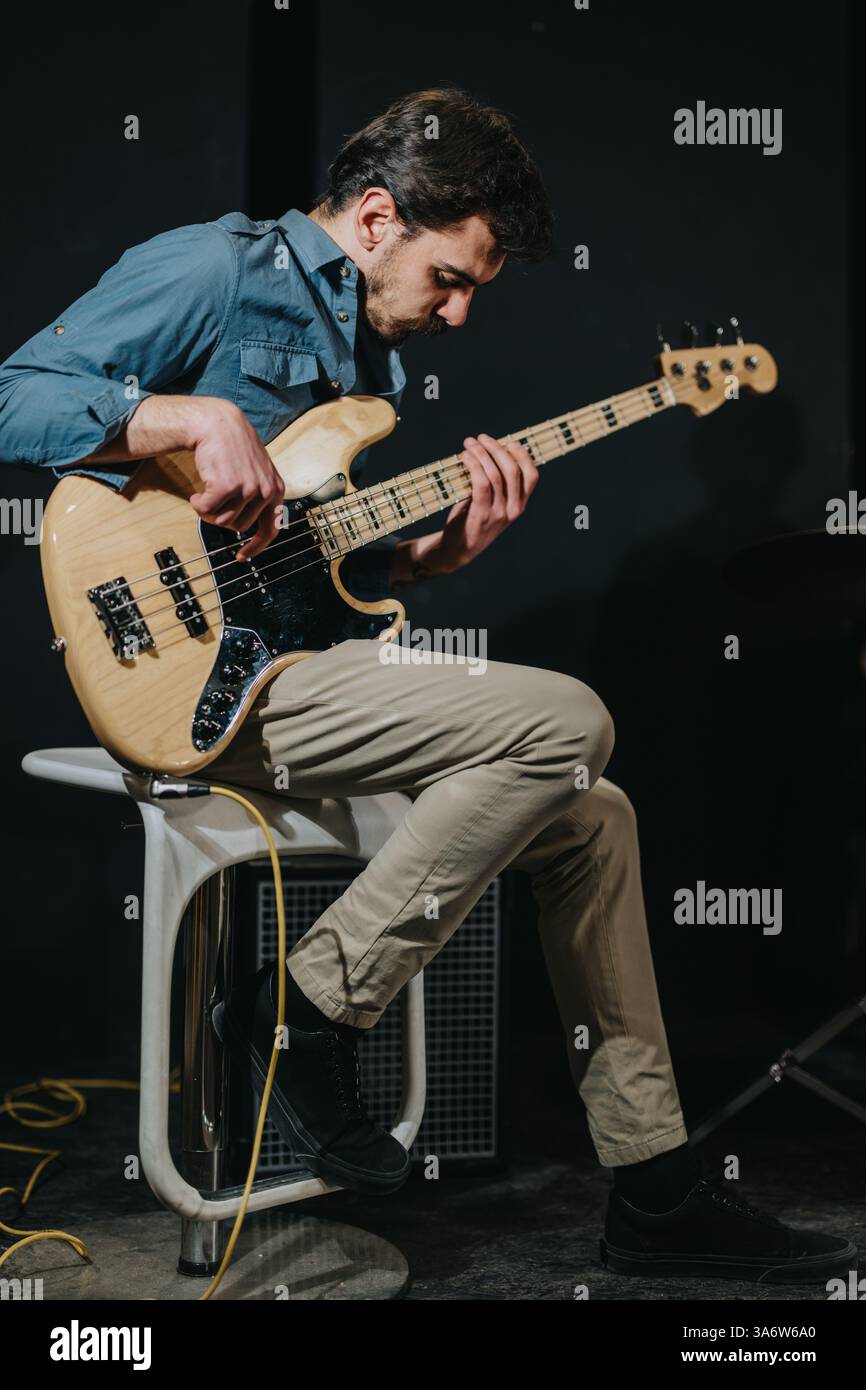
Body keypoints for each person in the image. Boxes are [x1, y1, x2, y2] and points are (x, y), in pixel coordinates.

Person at [0, 86, 854, 1285]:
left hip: (298, 663)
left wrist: (430, 559)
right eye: (450, 278)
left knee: (593, 817)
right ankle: (302, 1008)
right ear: (376, 215)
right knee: (572, 717)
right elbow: (13, 394)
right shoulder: (209, 269)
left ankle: (654, 1189)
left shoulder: (366, 358)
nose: (456, 311)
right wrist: (175, 413)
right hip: (193, 682)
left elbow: (308, 562)